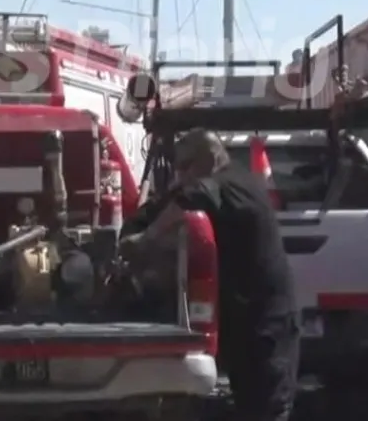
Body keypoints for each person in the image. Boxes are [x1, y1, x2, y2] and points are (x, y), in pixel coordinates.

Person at [121, 128, 299, 421]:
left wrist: (145, 240)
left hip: (267, 324)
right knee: (248, 404)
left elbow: (192, 195)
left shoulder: (231, 184)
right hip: (246, 322)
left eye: (185, 166)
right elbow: (176, 198)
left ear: (209, 158)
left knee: (267, 409)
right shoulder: (225, 184)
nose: (180, 174)